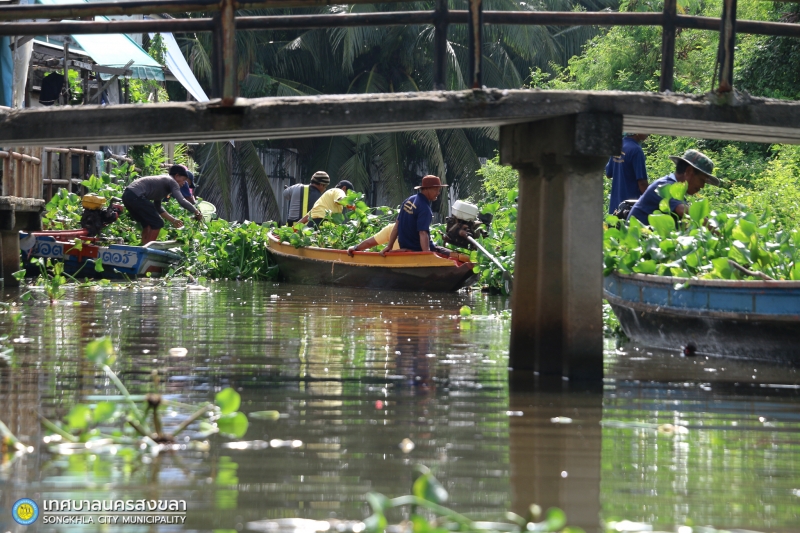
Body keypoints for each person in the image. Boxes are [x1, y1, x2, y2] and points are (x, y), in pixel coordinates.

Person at [628, 149, 721, 226]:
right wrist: (714, 229)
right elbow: (682, 210)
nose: (702, 186)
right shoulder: (665, 185)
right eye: (701, 180)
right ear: (688, 171)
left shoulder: (673, 188)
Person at [122, 164, 204, 244]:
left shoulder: (163, 183)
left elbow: (158, 207)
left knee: (147, 223)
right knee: (158, 222)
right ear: (177, 176)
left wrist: (173, 220)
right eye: (183, 180)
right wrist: (196, 211)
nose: (184, 183)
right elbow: (182, 200)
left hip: (127, 195)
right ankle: (148, 248)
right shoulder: (172, 181)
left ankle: (143, 245)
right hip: (136, 195)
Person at [380, 175, 451, 256]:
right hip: (417, 248)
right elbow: (423, 233)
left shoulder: (408, 200)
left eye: (439, 190)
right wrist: (426, 254)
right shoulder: (425, 208)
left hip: (405, 245)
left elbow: (397, 225)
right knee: (455, 256)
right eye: (436, 190)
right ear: (426, 189)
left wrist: (390, 246)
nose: (438, 193)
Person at [606, 133, 649, 214]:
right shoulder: (636, 150)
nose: (648, 134)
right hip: (630, 208)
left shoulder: (617, 145)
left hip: (615, 208)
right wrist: (651, 200)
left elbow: (608, 173)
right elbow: (642, 183)